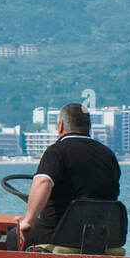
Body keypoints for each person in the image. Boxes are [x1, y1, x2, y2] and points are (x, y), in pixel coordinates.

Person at [16, 103, 122, 248]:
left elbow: (43, 182)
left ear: (60, 125)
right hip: (100, 238)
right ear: (88, 127)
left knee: (12, 238)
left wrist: (28, 221)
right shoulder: (108, 155)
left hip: (56, 236)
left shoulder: (57, 151)